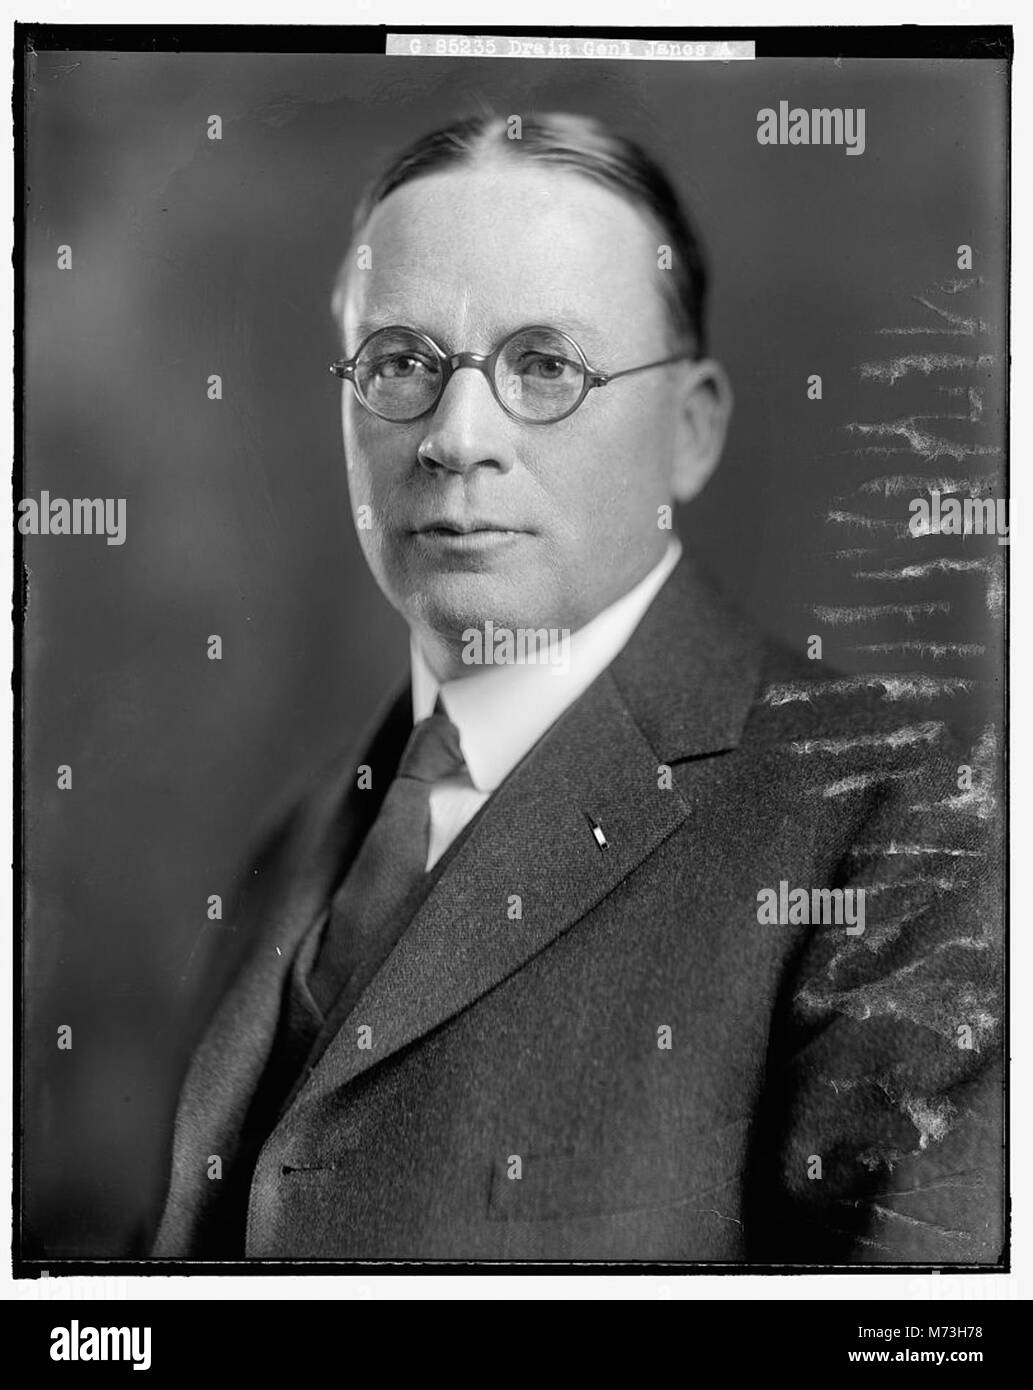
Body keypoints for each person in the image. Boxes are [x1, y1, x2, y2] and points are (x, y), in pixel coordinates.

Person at [153, 112, 1003, 1263]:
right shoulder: (290, 849)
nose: (456, 437)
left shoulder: (901, 831)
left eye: (545, 364)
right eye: (399, 362)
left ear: (689, 431)